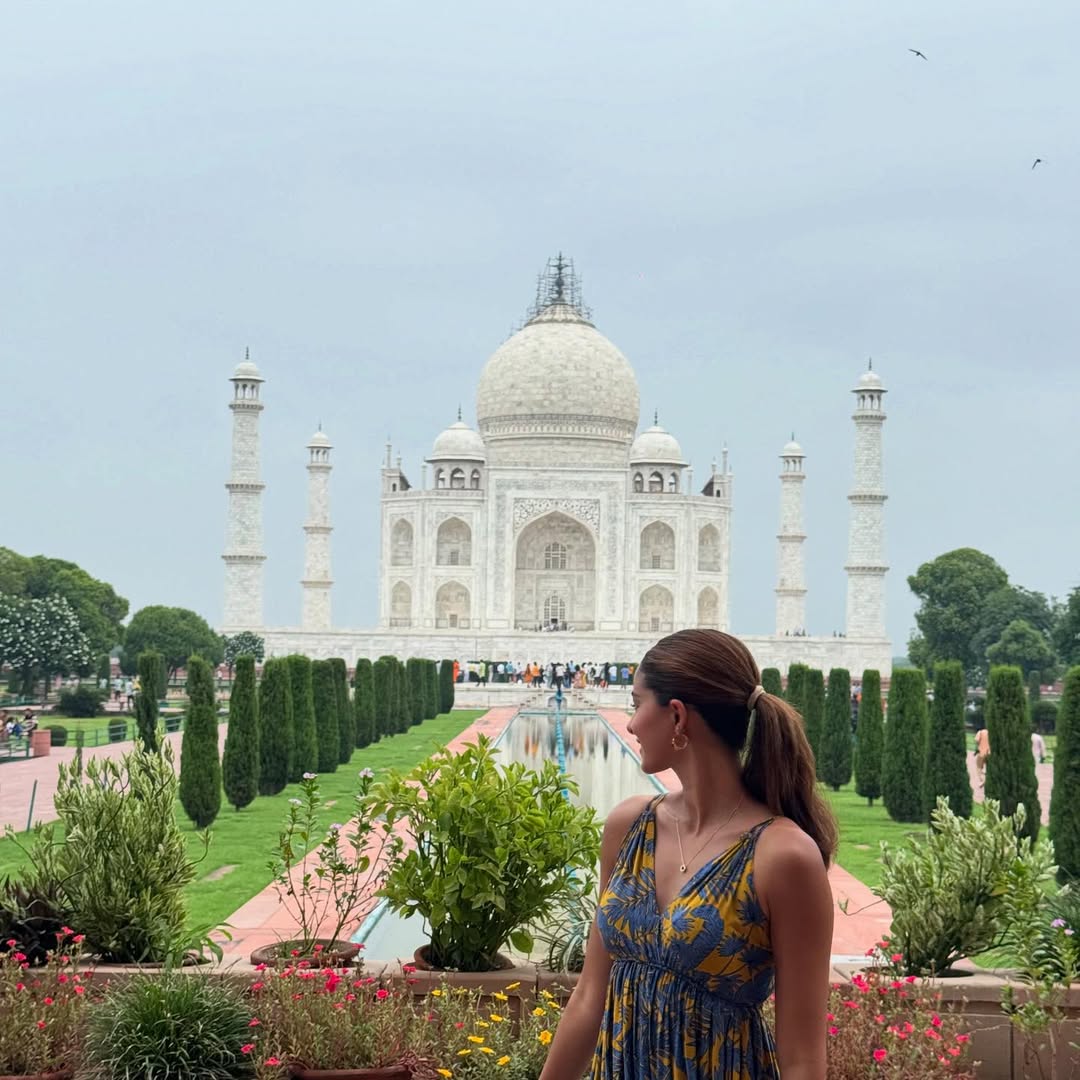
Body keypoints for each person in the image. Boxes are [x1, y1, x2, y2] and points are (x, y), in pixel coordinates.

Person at [539, 628, 835, 1080]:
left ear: (677, 716)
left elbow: (802, 1059)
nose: (631, 724)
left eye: (637, 704)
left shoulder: (781, 856)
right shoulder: (630, 826)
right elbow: (589, 997)